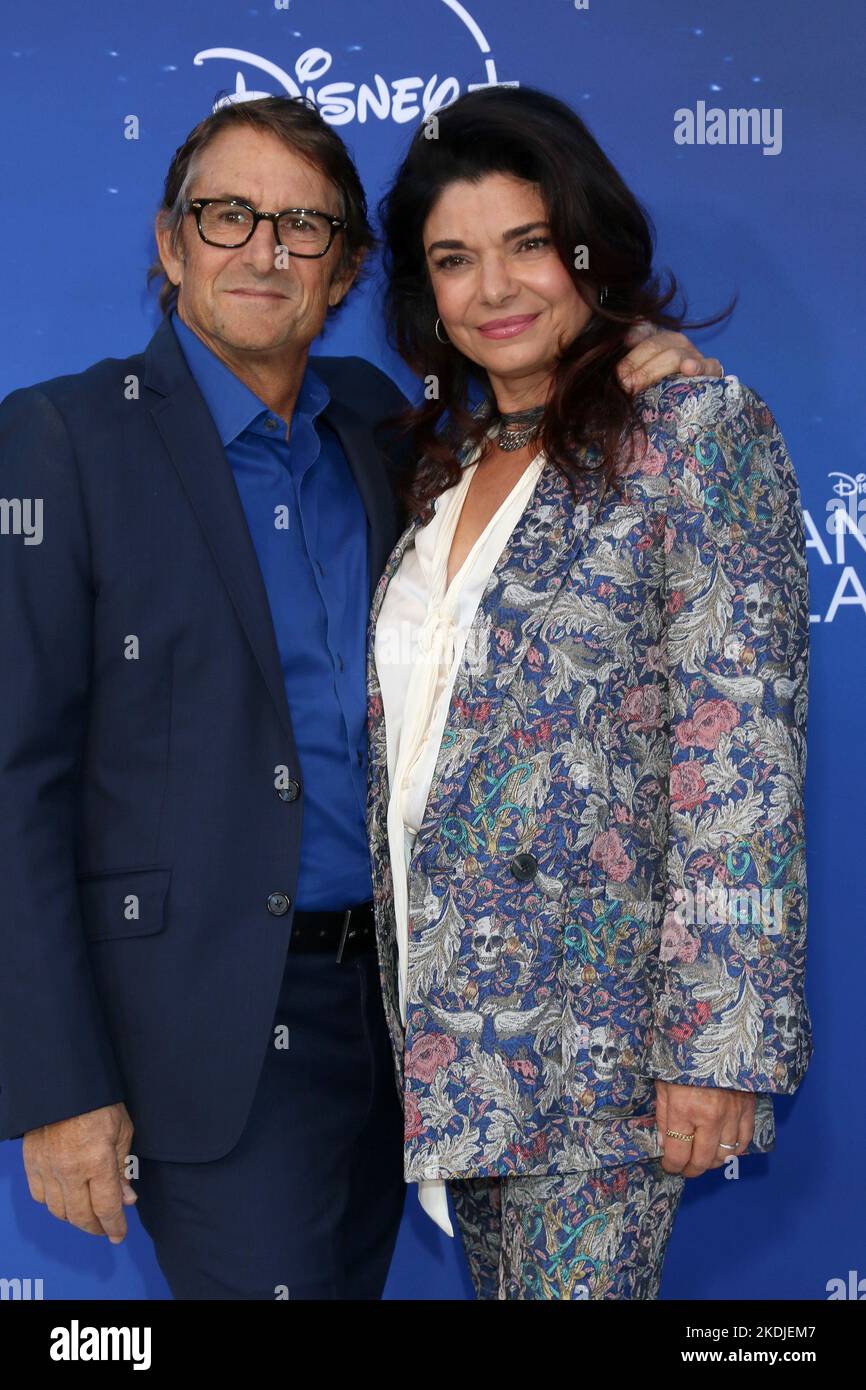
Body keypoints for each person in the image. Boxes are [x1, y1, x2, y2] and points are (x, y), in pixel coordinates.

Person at [0, 93, 722, 1301]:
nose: (264, 249)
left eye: (303, 225)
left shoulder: (387, 436)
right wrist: (56, 1084)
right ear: (169, 245)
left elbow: (544, 436)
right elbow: (14, 778)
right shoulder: (62, 442)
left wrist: (645, 361)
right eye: (226, 216)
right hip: (210, 1030)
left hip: (410, 1024)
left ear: (341, 272)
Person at [367, 84, 813, 1300]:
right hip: (452, 1034)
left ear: (587, 249)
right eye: (453, 260)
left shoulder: (688, 426)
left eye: (527, 246)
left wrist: (718, 1045)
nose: (494, 290)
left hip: (605, 1051)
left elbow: (740, 764)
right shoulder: (442, 466)